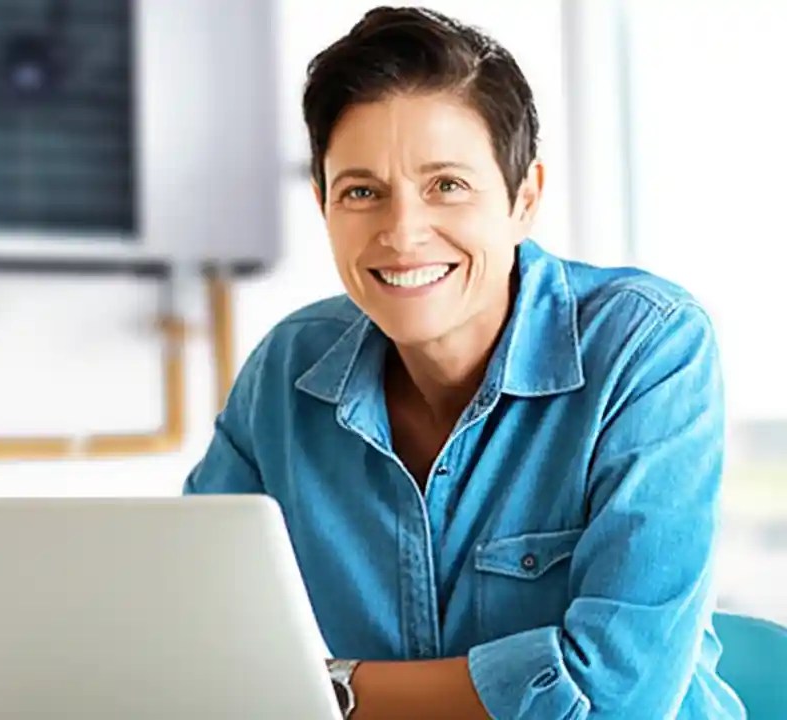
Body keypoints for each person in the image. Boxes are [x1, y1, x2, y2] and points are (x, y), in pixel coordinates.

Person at [183, 6, 745, 719]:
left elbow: (616, 698)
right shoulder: (285, 370)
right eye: (362, 192)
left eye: (447, 185)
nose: (402, 232)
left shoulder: (648, 347)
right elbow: (200, 646)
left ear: (524, 199)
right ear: (323, 204)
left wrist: (331, 690)